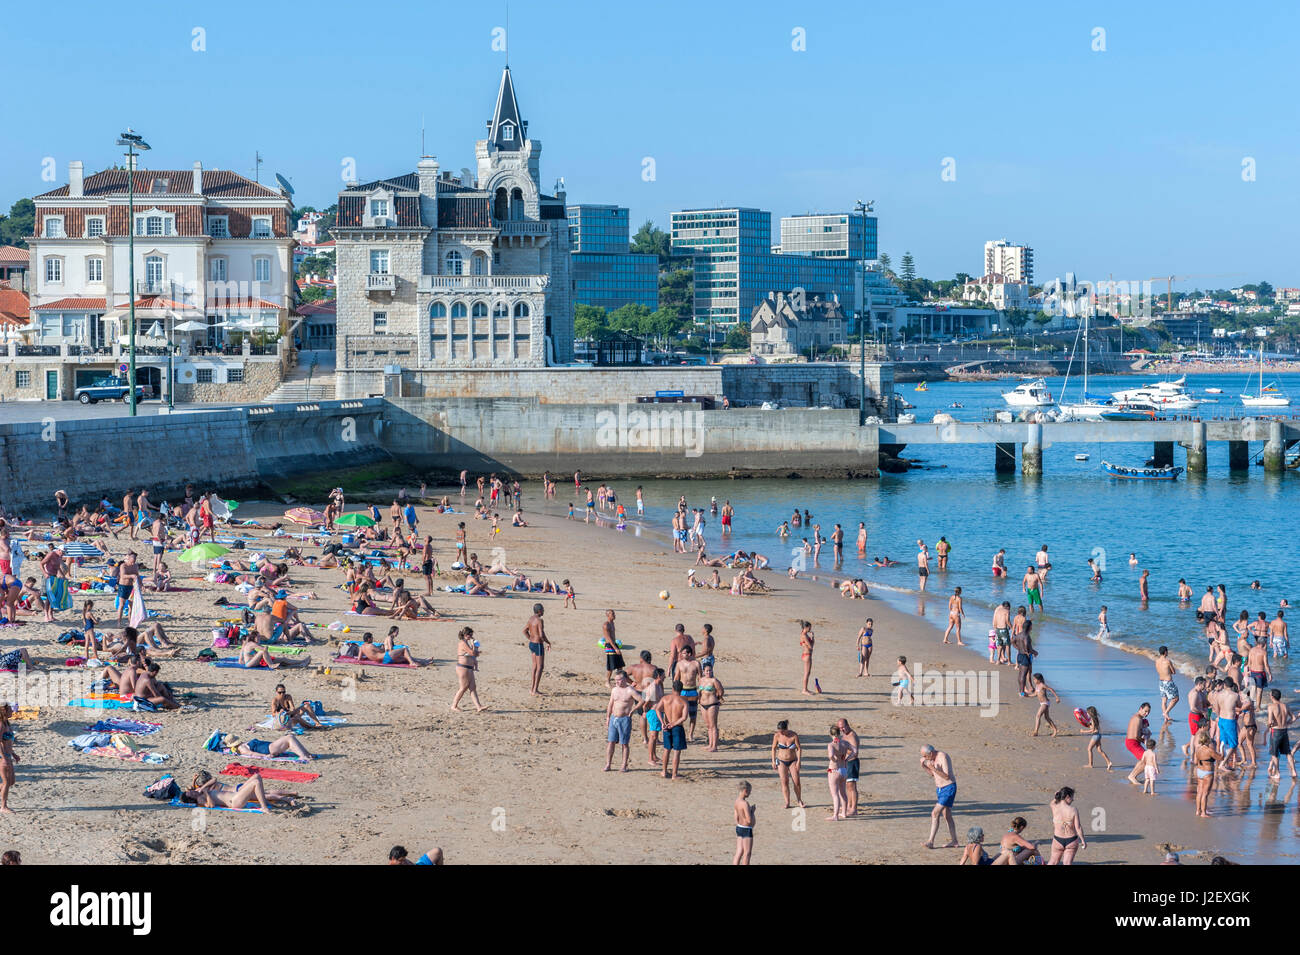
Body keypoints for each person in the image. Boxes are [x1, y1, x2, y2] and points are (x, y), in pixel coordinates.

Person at [920, 744, 957, 849]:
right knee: (947, 815)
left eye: (925, 756)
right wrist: (924, 766)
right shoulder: (932, 758)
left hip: (948, 788)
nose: (925, 758)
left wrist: (932, 767)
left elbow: (946, 776)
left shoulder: (942, 757)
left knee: (935, 813)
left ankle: (930, 841)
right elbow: (933, 774)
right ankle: (954, 841)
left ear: (931, 753)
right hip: (940, 789)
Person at [604, 670, 640, 771]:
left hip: (624, 719)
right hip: (613, 718)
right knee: (610, 742)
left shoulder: (630, 690)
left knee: (624, 743)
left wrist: (633, 710)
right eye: (615, 680)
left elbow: (641, 700)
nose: (617, 682)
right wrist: (607, 717)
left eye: (619, 680)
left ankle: (624, 765)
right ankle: (608, 764)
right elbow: (610, 704)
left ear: (624, 679)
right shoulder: (614, 690)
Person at [451, 627, 486, 713]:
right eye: (469, 634)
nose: (471, 636)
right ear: (465, 635)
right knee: (463, 687)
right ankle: (454, 705)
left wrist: (475, 652)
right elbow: (472, 653)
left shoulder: (467, 642)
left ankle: (479, 707)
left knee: (472, 687)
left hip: (469, 668)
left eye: (471, 635)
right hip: (463, 667)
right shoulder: (462, 643)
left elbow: (474, 654)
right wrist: (474, 646)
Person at [1047, 787, 1086, 865]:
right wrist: (1083, 840)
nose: (1072, 800)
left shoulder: (1054, 807)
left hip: (1057, 840)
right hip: (1071, 840)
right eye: (1072, 797)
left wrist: (1056, 796)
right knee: (1067, 863)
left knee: (1053, 862)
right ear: (1067, 797)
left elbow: (1052, 803)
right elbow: (1078, 827)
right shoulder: (1073, 810)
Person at [656, 691, 689, 780]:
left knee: (666, 750)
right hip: (677, 727)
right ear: (681, 690)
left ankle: (664, 771)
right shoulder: (683, 701)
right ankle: (674, 774)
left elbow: (657, 709)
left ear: (673, 688)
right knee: (676, 751)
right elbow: (684, 717)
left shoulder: (665, 698)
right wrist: (674, 724)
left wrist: (662, 722)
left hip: (666, 726)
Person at [1265, 689, 1297, 781]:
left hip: (1275, 731)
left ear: (1272, 697)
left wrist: (1269, 726)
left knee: (1274, 753)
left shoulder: (1271, 706)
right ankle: (1294, 772)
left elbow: (1269, 722)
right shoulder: (1285, 705)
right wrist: (1287, 723)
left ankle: (1277, 773)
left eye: (1270, 695)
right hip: (1284, 730)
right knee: (1288, 752)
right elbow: (1294, 718)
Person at [771, 721, 804, 809]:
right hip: (781, 761)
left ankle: (799, 800)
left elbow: (799, 748)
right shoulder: (777, 736)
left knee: (797, 782)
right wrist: (773, 761)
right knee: (784, 782)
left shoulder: (794, 735)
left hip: (793, 761)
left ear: (786, 729)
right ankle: (787, 802)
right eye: (779, 731)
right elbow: (773, 748)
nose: (780, 732)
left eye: (782, 731)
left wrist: (799, 761)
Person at [524, 603, 550, 696]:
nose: (544, 611)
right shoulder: (539, 620)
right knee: (540, 667)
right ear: (539, 611)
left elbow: (524, 630)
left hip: (531, 644)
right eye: (543, 609)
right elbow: (541, 634)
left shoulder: (531, 619)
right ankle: (535, 690)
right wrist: (548, 642)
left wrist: (531, 638)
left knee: (535, 666)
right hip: (538, 644)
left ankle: (532, 689)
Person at [698, 663, 724, 753]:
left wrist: (718, 698)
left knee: (713, 726)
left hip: (712, 704)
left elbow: (721, 691)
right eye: (707, 670)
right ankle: (710, 744)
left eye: (710, 670)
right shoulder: (701, 680)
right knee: (708, 726)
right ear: (703, 671)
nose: (708, 672)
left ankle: (714, 746)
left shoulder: (714, 681)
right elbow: (700, 691)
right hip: (702, 704)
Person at [1124, 703, 1152, 784]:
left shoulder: (1139, 717)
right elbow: (1136, 736)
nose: (1146, 714)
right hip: (1132, 742)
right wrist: (1144, 740)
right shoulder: (1137, 719)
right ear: (1140, 708)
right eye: (1145, 711)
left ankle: (1133, 776)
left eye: (1148, 712)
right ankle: (1132, 776)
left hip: (1132, 742)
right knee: (1147, 759)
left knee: (1142, 759)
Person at [826, 725, 850, 821]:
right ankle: (844, 813)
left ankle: (835, 815)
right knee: (843, 792)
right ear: (839, 733)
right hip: (843, 769)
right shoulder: (845, 743)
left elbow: (831, 755)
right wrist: (847, 758)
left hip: (833, 770)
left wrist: (833, 758)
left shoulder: (831, 744)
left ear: (830, 734)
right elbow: (855, 750)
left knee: (835, 794)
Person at [838, 717, 861, 815]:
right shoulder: (844, 735)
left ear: (847, 725)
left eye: (843, 727)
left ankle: (854, 809)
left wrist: (846, 759)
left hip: (852, 762)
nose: (841, 730)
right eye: (840, 728)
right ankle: (849, 806)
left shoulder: (852, 736)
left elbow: (855, 752)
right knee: (847, 786)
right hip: (846, 763)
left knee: (852, 787)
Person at [1192, 730, 1218, 817]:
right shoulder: (1209, 750)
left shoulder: (1198, 749)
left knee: (1199, 792)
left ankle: (1198, 811)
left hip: (1199, 771)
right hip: (1208, 772)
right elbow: (1219, 757)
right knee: (1205, 793)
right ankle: (1203, 813)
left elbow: (1195, 761)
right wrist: (1220, 751)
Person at [1079, 705, 1112, 770]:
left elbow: (1092, 730)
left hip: (1095, 736)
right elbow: (1092, 727)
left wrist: (1083, 731)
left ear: (1090, 713)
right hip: (1099, 735)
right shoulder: (1095, 718)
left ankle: (1090, 764)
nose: (1086, 714)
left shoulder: (1092, 720)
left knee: (1089, 749)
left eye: (1087, 713)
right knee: (1099, 750)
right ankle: (1109, 762)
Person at [1030, 673, 1060, 737]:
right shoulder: (1037, 686)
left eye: (1035, 679)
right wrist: (1027, 695)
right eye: (1034, 679)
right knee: (1047, 718)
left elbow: (1051, 689)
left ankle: (1036, 731)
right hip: (1042, 703)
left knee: (1038, 716)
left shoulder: (1042, 685)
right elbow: (1035, 694)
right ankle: (1055, 729)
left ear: (1039, 679)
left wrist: (1057, 697)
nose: (1034, 681)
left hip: (1045, 703)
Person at [1155, 646, 1180, 722]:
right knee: (1175, 699)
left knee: (1164, 700)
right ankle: (1166, 713)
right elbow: (1173, 672)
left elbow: (1159, 670)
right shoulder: (1168, 661)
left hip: (1161, 682)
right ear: (1165, 652)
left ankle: (1166, 718)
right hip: (1168, 682)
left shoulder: (1157, 661)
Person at [600, 610, 624, 687]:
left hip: (614, 644)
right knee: (611, 665)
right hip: (610, 646)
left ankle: (619, 680)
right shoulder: (606, 625)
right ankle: (607, 682)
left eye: (614, 613)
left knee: (620, 664)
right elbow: (608, 638)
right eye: (612, 614)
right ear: (608, 615)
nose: (614, 615)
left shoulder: (612, 623)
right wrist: (615, 648)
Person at [733, 781, 755, 866]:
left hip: (739, 828)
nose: (750, 793)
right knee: (747, 853)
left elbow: (736, 817)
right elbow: (749, 820)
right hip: (746, 829)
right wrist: (752, 812)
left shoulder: (737, 801)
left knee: (739, 852)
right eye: (749, 791)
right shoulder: (745, 803)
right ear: (745, 791)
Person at [0, 704, 16, 813]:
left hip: (8, 756)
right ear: (4, 711)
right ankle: (3, 807)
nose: (13, 711)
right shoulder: (1, 725)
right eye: (10, 710)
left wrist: (14, 754)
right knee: (6, 782)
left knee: (11, 781)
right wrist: (3, 757)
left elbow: (8, 742)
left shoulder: (7, 723)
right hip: (3, 757)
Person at [798, 620, 817, 695]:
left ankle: (805, 689)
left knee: (807, 673)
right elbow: (811, 647)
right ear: (806, 627)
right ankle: (804, 690)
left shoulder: (802, 633)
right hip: (807, 655)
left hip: (805, 654)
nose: (810, 629)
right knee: (807, 673)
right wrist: (812, 638)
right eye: (809, 628)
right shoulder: (805, 636)